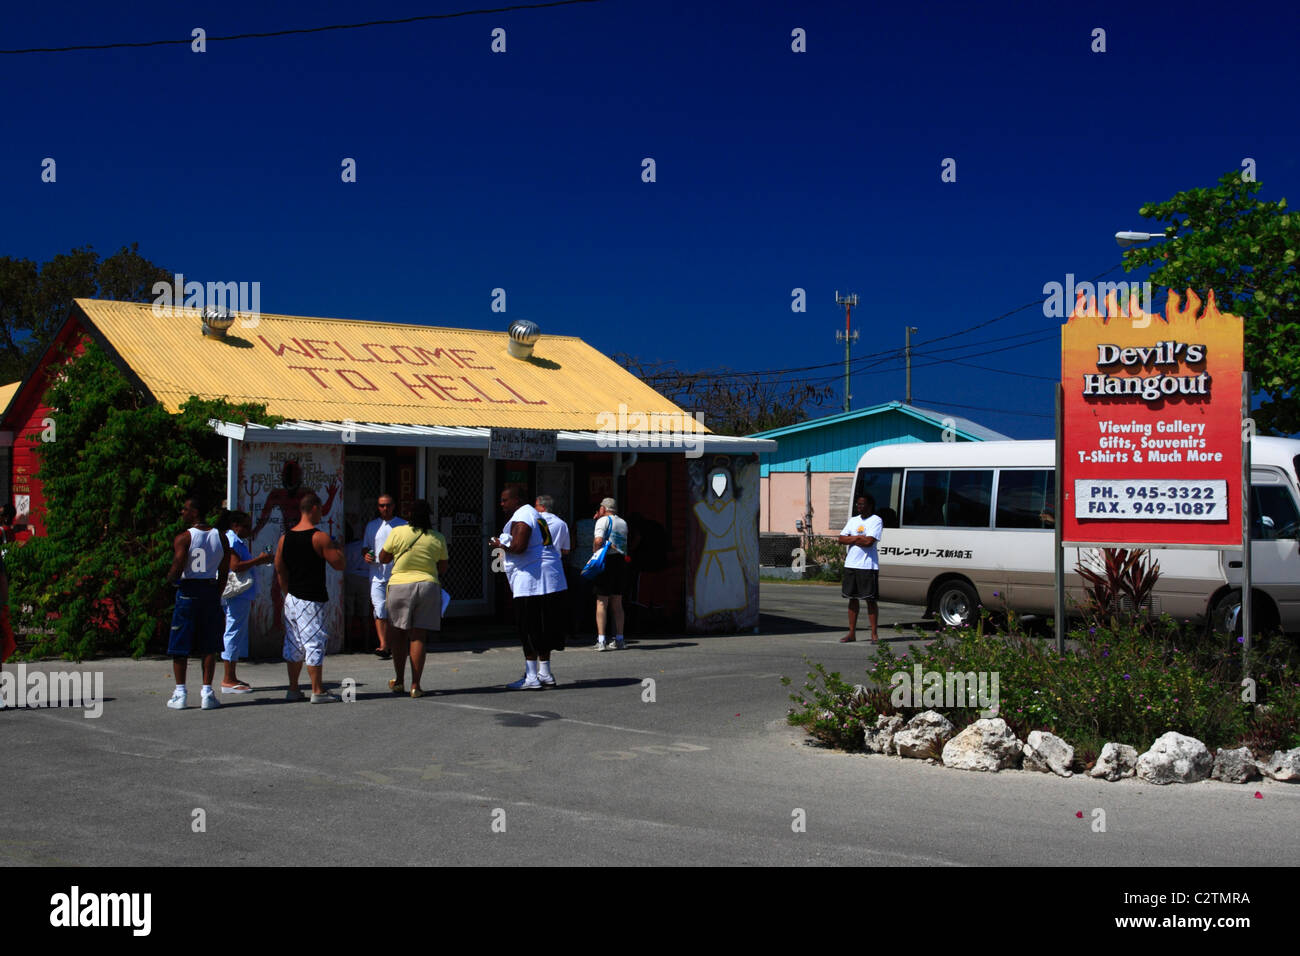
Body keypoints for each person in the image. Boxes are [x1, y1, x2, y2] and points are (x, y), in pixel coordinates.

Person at [275, 491, 345, 703]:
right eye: (320, 509)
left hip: (292, 597)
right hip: (312, 597)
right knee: (314, 640)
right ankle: (317, 690)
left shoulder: (284, 538)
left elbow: (280, 569)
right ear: (314, 508)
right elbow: (339, 564)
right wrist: (338, 548)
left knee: (294, 643)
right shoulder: (320, 537)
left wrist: (287, 592)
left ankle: (294, 688)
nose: (321, 513)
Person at [164, 496, 232, 710]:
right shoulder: (221, 537)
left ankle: (180, 692)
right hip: (210, 589)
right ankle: (207, 693)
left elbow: (177, 566)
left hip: (189, 590)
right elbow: (224, 571)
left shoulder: (185, 538)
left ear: (194, 512)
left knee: (180, 643)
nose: (182, 513)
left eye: (185, 509)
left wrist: (171, 580)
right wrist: (217, 592)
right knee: (209, 645)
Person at [377, 499, 448, 698]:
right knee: (418, 636)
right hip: (428, 586)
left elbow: (383, 558)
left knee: (398, 635)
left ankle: (399, 681)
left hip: (399, 586)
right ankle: (416, 685)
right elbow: (443, 568)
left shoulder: (398, 532)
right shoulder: (437, 537)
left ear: (409, 515)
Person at [489, 486, 552, 689]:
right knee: (539, 627)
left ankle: (532, 677)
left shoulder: (523, 515)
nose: (501, 504)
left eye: (505, 500)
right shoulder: (536, 515)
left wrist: (500, 545)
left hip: (529, 581)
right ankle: (544, 673)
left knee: (527, 628)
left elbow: (519, 546)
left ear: (517, 500)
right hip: (542, 579)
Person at [220, 510, 272, 693]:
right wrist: (259, 560)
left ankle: (231, 676)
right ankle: (228, 678)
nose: (249, 530)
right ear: (235, 526)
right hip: (237, 595)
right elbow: (235, 565)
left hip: (240, 595)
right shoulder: (232, 540)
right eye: (246, 526)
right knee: (233, 633)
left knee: (234, 632)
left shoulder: (235, 540)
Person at [363, 493, 407, 660]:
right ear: (378, 507)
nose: (385, 508)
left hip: (398, 574)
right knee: (379, 608)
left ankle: (396, 643)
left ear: (393, 505)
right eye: (382, 505)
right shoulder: (372, 526)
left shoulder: (403, 525)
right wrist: (366, 555)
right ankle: (383, 645)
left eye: (388, 505)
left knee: (396, 611)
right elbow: (365, 548)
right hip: (376, 575)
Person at [838, 494, 883, 643]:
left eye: (862, 504)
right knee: (852, 598)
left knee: (870, 599)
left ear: (870, 505)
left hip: (867, 565)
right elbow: (841, 539)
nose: (859, 506)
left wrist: (853, 538)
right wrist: (858, 538)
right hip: (851, 564)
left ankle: (874, 634)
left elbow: (869, 541)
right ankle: (851, 633)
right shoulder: (853, 520)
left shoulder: (876, 520)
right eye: (858, 504)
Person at [534, 495, 571, 658]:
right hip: (555, 572)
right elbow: (566, 550)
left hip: (534, 569)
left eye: (535, 506)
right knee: (551, 612)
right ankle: (552, 642)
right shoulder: (561, 524)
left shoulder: (533, 521)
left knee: (536, 612)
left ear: (541, 507)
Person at [591, 497, 629, 651]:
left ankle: (601, 640)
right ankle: (619, 638)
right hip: (620, 562)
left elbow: (599, 540)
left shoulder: (603, 521)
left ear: (603, 508)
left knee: (602, 602)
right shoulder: (623, 522)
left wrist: (595, 552)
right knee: (617, 603)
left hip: (606, 561)